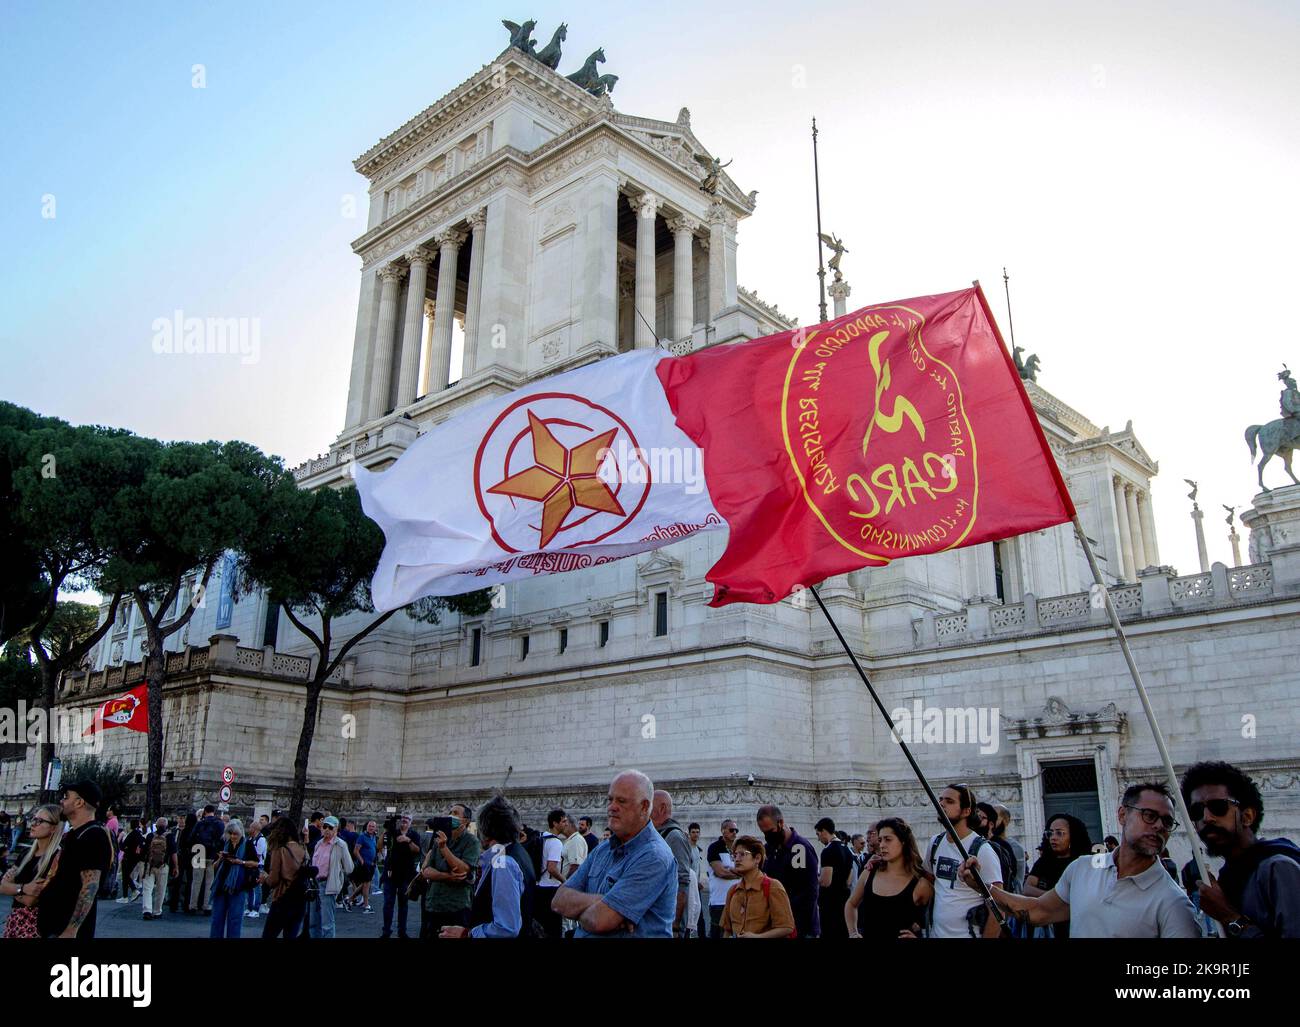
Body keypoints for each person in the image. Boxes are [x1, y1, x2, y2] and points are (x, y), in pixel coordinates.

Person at [962, 782, 1199, 938]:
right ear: (1122, 815)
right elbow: (1038, 911)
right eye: (1149, 816)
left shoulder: (1174, 903)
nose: (1159, 826)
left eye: (1167, 822)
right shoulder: (1083, 868)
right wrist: (981, 884)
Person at [1181, 759, 1300, 937]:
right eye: (1196, 811)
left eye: (1218, 807)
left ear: (1247, 816)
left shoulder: (1279, 869)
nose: (1206, 818)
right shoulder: (1230, 877)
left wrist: (1229, 916)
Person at [553, 769, 678, 937]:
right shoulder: (602, 850)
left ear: (644, 806)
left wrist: (583, 909)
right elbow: (559, 900)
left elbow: (599, 920)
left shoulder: (655, 857)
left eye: (621, 801)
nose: (612, 807)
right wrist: (602, 901)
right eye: (610, 799)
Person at [439, 795, 536, 939]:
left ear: (486, 830)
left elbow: (506, 928)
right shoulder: (517, 852)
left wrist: (467, 934)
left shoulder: (504, 863)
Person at [924, 783, 1003, 938]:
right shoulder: (935, 843)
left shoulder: (983, 850)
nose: (941, 804)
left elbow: (999, 906)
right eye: (941, 800)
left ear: (966, 811)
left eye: (949, 801)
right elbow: (926, 879)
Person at [38, 781, 114, 938]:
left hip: (66, 931)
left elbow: (89, 887)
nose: (61, 801)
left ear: (79, 802)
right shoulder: (74, 834)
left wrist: (71, 930)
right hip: (52, 926)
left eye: (66, 797)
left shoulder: (93, 836)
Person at [845, 817, 932, 939]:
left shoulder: (920, 883)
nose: (882, 845)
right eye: (880, 840)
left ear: (903, 841)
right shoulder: (870, 871)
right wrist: (853, 933)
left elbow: (936, 919)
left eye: (888, 840)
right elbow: (851, 904)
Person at [1024, 812, 1091, 938]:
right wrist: (1055, 899)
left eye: (1059, 833)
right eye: (1050, 833)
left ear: (1073, 836)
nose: (1053, 837)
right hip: (1049, 925)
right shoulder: (1044, 862)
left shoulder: (1084, 862)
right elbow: (1027, 888)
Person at [756, 804, 819, 938]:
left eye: (770, 831)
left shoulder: (799, 848)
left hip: (799, 925)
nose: (768, 835)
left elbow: (808, 891)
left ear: (781, 823)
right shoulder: (769, 849)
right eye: (764, 832)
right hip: (776, 925)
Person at [0, 803, 62, 939]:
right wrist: (23, 888)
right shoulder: (25, 854)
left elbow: (30, 900)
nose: (33, 824)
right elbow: (2, 886)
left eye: (40, 821)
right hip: (14, 921)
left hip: (35, 926)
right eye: (33, 819)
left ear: (53, 828)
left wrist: (13, 888)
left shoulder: (56, 858)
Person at [420, 803, 481, 938]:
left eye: (455, 813)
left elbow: (462, 870)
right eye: (450, 812)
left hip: (456, 907)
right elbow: (426, 871)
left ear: (465, 821)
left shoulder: (472, 842)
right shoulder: (439, 839)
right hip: (433, 904)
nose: (450, 815)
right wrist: (447, 876)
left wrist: (444, 848)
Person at [719, 835, 796, 938]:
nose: (737, 859)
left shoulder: (773, 887)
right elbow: (727, 929)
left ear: (757, 858)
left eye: (742, 854)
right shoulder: (733, 891)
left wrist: (758, 937)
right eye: (735, 855)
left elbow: (786, 927)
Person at [651, 790, 694, 937]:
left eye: (648, 806)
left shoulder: (674, 837)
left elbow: (682, 881)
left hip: (668, 925)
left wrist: (675, 926)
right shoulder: (657, 834)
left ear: (662, 808)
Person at [259, 816, 309, 939]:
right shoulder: (303, 849)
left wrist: (264, 877)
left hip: (283, 897)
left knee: (269, 935)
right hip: (300, 899)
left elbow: (273, 880)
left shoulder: (280, 850)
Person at [208, 819, 258, 938]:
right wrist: (221, 858)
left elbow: (256, 863)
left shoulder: (248, 845)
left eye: (235, 834)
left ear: (241, 833)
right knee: (217, 919)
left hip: (238, 886)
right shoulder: (224, 843)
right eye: (230, 833)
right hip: (221, 885)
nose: (233, 836)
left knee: (235, 919)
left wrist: (241, 862)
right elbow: (214, 866)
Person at [309, 815, 354, 938]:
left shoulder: (340, 845)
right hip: (315, 884)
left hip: (328, 884)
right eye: (325, 826)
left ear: (336, 830)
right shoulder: (318, 843)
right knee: (313, 922)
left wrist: (337, 872)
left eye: (331, 827)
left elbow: (349, 867)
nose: (327, 829)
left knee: (327, 923)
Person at [380, 812, 420, 938]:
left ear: (411, 822)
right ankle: (386, 931)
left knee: (403, 905)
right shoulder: (392, 832)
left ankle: (402, 931)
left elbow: (417, 850)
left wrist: (408, 840)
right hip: (390, 873)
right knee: (388, 904)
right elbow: (379, 846)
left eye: (407, 819)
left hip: (406, 875)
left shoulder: (414, 835)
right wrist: (385, 831)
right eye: (403, 818)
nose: (404, 820)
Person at [815, 817, 854, 940]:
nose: (818, 838)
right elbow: (849, 880)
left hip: (830, 904)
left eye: (818, 834)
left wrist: (815, 878)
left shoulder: (828, 851)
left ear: (824, 831)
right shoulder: (847, 849)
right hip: (845, 900)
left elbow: (826, 882)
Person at [535, 808, 567, 937]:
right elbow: (552, 868)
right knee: (554, 929)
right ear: (555, 823)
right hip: (550, 889)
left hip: (538, 887)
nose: (566, 824)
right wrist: (565, 881)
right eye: (563, 821)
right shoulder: (555, 843)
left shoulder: (541, 838)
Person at [706, 819, 741, 938]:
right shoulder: (714, 847)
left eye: (736, 830)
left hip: (737, 900)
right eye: (731, 830)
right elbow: (720, 872)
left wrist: (729, 870)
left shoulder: (738, 850)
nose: (735, 832)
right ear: (723, 831)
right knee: (718, 933)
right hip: (719, 901)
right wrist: (739, 873)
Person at [190, 804, 224, 914]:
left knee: (196, 881)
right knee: (210, 881)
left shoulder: (200, 823)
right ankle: (207, 905)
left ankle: (193, 905)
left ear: (204, 811)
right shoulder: (219, 823)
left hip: (199, 852)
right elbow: (222, 839)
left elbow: (192, 837)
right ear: (214, 812)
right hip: (212, 853)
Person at [140, 816, 176, 921]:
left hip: (149, 865)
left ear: (156, 825)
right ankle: (157, 911)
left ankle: (147, 910)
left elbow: (144, 851)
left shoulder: (150, 836)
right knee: (161, 889)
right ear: (166, 826)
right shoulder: (170, 836)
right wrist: (176, 867)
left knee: (147, 888)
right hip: (163, 865)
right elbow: (173, 853)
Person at [560, 813, 588, 937]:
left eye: (565, 822)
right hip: (568, 885)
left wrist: (565, 885)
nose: (563, 825)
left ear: (570, 824)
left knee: (567, 923)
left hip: (570, 887)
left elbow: (575, 866)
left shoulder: (576, 840)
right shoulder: (571, 840)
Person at [991, 803, 1025, 894]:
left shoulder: (1016, 848)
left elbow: (1017, 881)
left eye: (995, 818)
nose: (991, 823)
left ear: (1006, 821)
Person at [350, 819, 378, 912]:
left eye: (373, 826)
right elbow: (356, 850)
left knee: (365, 884)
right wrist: (362, 861)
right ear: (367, 827)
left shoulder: (374, 837)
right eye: (369, 826)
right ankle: (366, 905)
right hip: (365, 864)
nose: (371, 828)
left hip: (371, 864)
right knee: (366, 884)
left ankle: (350, 899)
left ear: (375, 828)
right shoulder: (362, 837)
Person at [688, 822, 709, 938]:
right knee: (693, 912)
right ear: (689, 833)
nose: (695, 834)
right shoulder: (688, 849)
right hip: (690, 885)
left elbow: (697, 868)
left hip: (696, 885)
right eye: (693, 832)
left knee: (699, 912)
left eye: (697, 832)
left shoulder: (697, 849)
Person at [244, 816, 267, 920]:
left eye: (251, 828)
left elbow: (258, 854)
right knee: (249, 886)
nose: (249, 830)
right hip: (250, 865)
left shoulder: (261, 839)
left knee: (256, 887)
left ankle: (256, 909)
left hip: (258, 866)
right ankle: (249, 907)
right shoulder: (250, 839)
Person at [173, 810, 197, 913]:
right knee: (190, 881)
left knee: (178, 881)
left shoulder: (184, 831)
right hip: (193, 858)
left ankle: (174, 904)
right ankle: (187, 904)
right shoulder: (196, 832)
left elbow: (180, 845)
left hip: (182, 857)